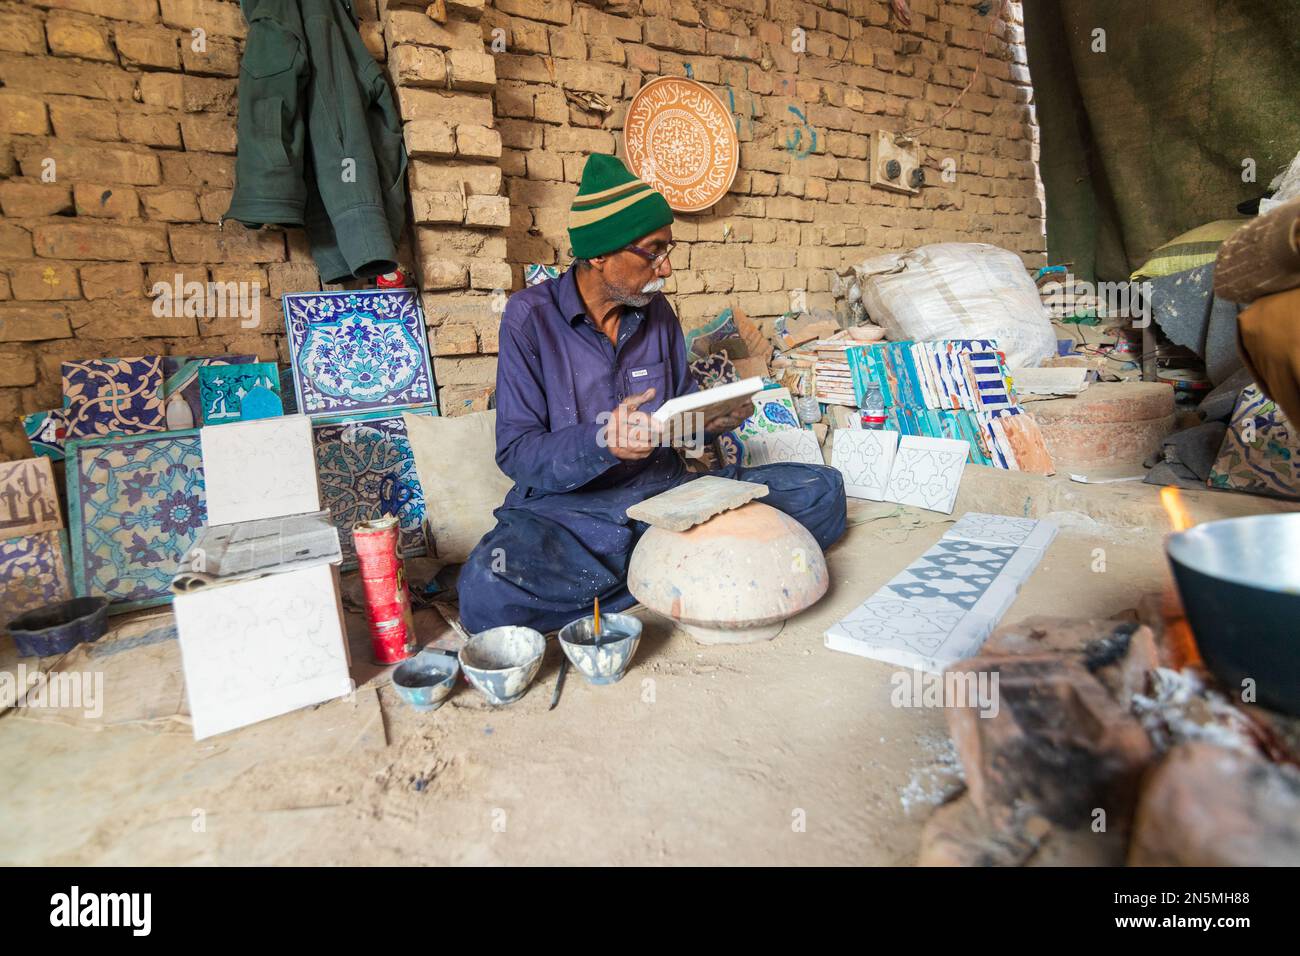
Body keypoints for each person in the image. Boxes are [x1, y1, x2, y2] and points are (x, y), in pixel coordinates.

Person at [457, 154, 847, 633]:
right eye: (652, 251)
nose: (666, 268)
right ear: (599, 254)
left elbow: (676, 412)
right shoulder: (528, 318)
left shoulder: (657, 312)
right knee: (487, 590)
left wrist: (710, 419)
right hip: (570, 514)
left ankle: (644, 571)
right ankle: (667, 567)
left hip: (667, 497)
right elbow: (517, 452)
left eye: (669, 249)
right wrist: (602, 443)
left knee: (821, 489)